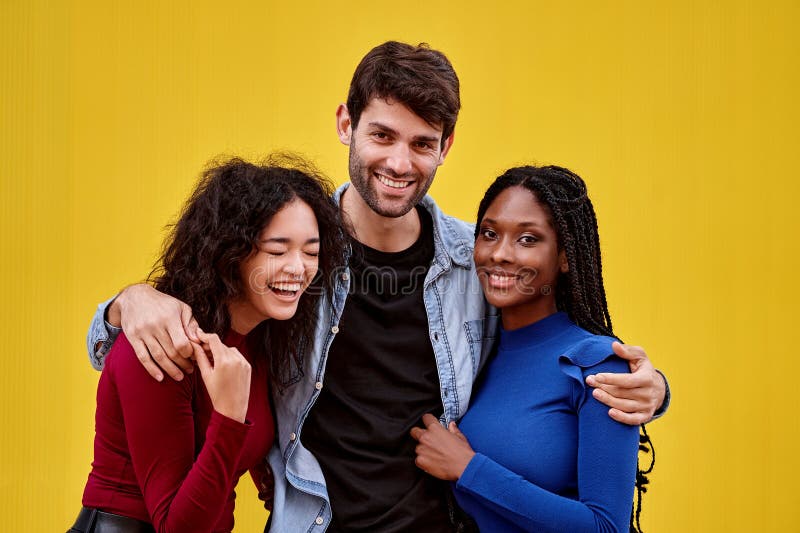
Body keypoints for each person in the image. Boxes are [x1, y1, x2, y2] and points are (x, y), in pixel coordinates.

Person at [85, 42, 670, 532]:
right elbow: (198, 320)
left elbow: (554, 345)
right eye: (382, 135)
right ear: (346, 124)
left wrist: (653, 388)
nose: (399, 162)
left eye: (422, 143)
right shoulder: (295, 257)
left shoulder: (477, 261)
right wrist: (125, 303)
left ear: (446, 147)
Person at [71, 157, 346, 532]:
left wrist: (265, 466)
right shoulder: (165, 345)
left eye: (311, 253)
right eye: (278, 251)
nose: (298, 268)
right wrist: (230, 418)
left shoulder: (261, 336)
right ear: (231, 252)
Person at [411, 165, 645, 532]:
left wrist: (469, 468)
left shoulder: (597, 366)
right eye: (489, 234)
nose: (500, 254)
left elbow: (605, 527)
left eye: (528, 240)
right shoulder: (476, 355)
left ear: (565, 256)